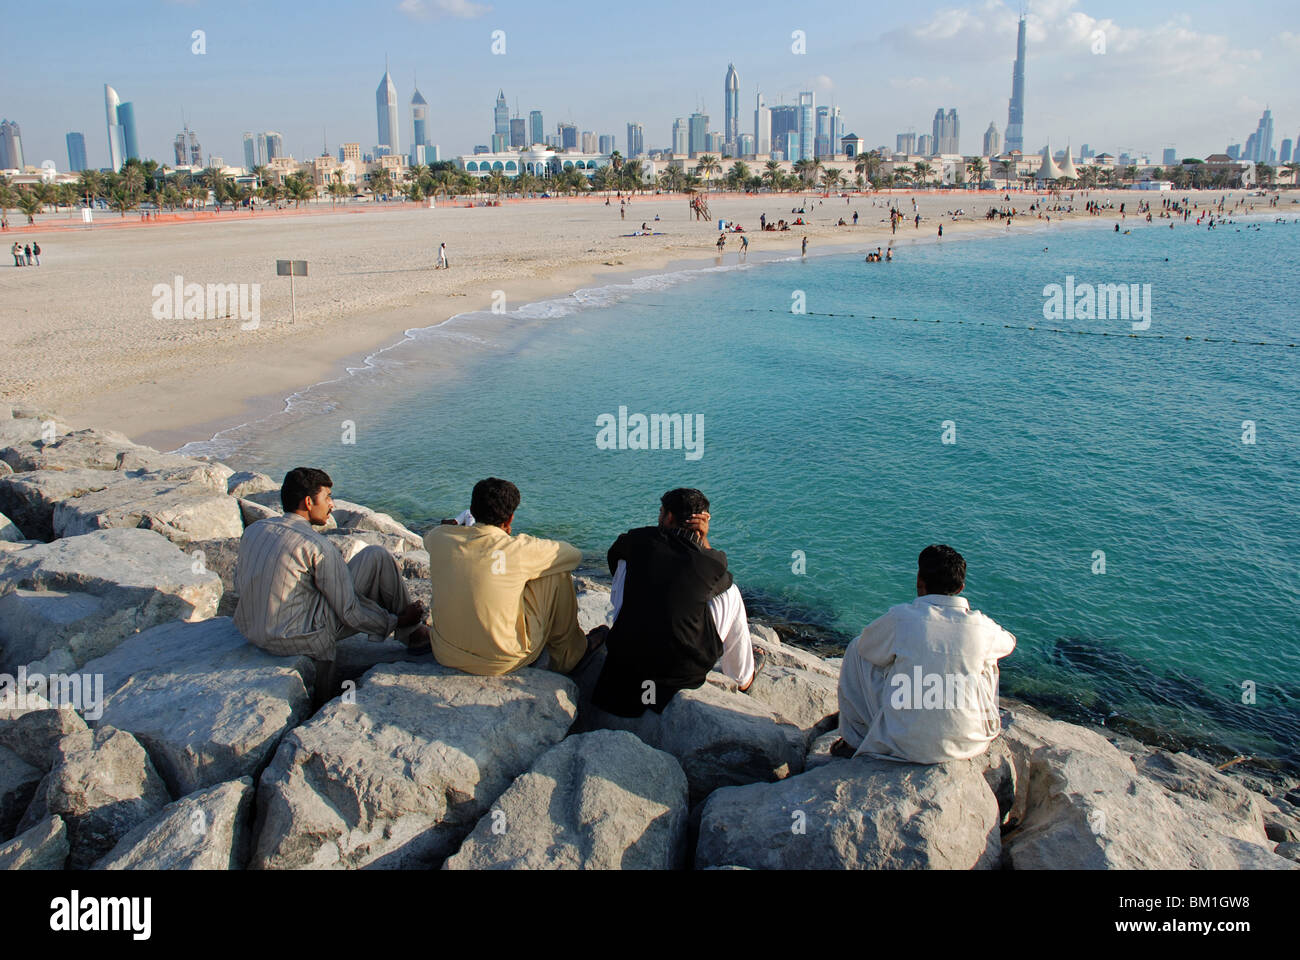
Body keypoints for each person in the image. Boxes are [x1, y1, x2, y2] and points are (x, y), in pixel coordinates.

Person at [234, 468, 428, 708]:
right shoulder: (316, 546)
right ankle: (412, 631)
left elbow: (239, 584)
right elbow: (350, 613)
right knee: (377, 559)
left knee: (374, 555)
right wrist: (395, 621)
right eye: (327, 497)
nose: (332, 505)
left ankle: (413, 631)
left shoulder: (255, 530)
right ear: (308, 502)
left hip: (251, 629)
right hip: (297, 637)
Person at [832, 545, 1016, 764]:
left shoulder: (901, 618)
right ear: (960, 588)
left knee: (856, 647)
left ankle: (854, 737)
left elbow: (867, 646)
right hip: (969, 743)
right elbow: (1009, 643)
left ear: (920, 580)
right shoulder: (981, 626)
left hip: (902, 743)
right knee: (988, 660)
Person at [592, 488, 760, 717]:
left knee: (627, 564)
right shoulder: (709, 562)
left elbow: (614, 559)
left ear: (669, 517)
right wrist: (704, 538)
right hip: (682, 672)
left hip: (626, 659)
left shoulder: (637, 540)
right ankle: (742, 678)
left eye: (661, 512)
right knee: (730, 590)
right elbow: (719, 570)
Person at [423, 477, 603, 676]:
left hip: (445, 651)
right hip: (501, 660)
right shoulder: (516, 549)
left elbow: (428, 541)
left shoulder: (439, 537)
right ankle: (569, 656)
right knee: (556, 571)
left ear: (472, 511)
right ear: (509, 519)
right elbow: (574, 555)